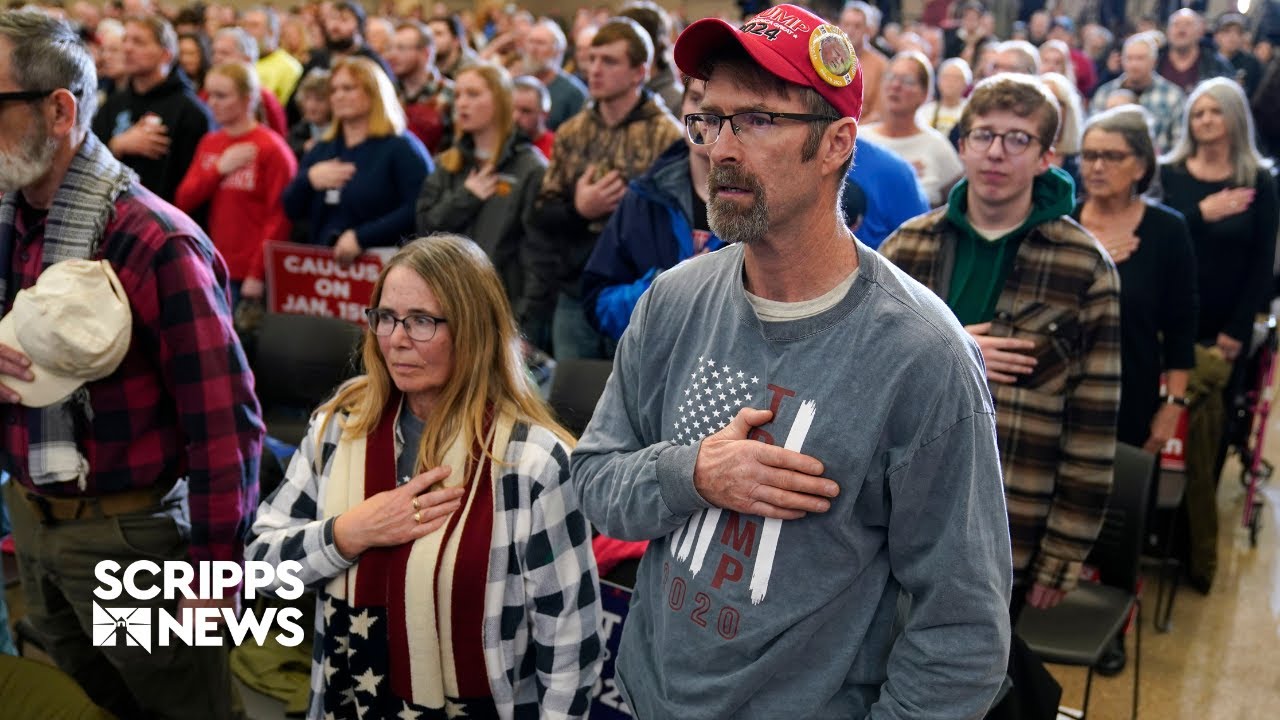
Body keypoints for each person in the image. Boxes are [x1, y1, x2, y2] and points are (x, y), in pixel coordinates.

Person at [571, 6, 1011, 717]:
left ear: (836, 143)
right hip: (649, 695)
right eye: (710, 119)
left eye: (757, 120)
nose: (720, 149)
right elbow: (595, 479)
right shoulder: (674, 300)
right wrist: (693, 474)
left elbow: (963, 630)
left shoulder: (923, 357)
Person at [0, 11, 262, 719]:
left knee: (184, 708)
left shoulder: (154, 240)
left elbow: (224, 424)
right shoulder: (10, 217)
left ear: (59, 112)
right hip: (33, 515)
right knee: (86, 704)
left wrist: (215, 573)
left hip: (129, 538)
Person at [245, 234, 602, 719]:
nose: (396, 339)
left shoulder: (533, 463)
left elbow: (570, 648)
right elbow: (260, 568)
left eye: (421, 321)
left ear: (473, 331)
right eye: (386, 317)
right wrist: (348, 533)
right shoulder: (339, 428)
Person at [881, 73, 1121, 619]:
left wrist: (1063, 554)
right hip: (901, 511)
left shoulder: (1085, 267)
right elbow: (860, 374)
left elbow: (1093, 425)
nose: (996, 152)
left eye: (1017, 139)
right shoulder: (906, 248)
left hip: (1011, 521)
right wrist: (955, 350)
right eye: (984, 135)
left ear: (1045, 158)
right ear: (962, 145)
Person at [1072, 104, 1198, 676]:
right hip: (1066, 391)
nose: (1097, 166)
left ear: (1141, 165)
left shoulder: (1166, 230)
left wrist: (1173, 405)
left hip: (1134, 390)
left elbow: (1181, 326)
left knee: (1118, 512)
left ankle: (1114, 620)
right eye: (1089, 155)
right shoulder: (1065, 223)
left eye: (1112, 156)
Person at [1159, 77, 1278, 594]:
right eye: (1198, 113)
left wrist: (1238, 328)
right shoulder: (1170, 174)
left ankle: (1193, 538)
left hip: (1224, 329)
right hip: (1170, 320)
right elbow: (1160, 238)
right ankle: (1157, 527)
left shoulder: (1258, 180)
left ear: (1233, 118)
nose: (1205, 121)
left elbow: (1262, 262)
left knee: (1210, 428)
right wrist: (1200, 216)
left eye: (1214, 112)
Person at [522, 17, 682, 359]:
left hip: (638, 293)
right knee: (571, 391)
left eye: (609, 61)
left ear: (639, 72)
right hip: (575, 290)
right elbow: (541, 214)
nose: (594, 69)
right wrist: (579, 209)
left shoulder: (667, 136)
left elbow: (679, 223)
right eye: (592, 59)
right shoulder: (572, 131)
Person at [580, 77, 722, 341]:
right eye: (695, 99)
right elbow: (598, 304)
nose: (703, 116)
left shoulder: (764, 206)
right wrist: (668, 287)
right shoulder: (645, 196)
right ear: (681, 107)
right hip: (654, 359)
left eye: (718, 105)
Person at [414, 62, 545, 303]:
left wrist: (525, 319)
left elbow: (539, 257)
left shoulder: (530, 168)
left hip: (502, 304)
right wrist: (466, 198)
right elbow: (424, 229)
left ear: (501, 101)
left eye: (473, 94)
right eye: (458, 95)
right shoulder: (447, 163)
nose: (461, 103)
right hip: (447, 300)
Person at [282, 56, 431, 262]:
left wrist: (362, 237)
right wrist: (308, 179)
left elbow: (418, 209)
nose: (339, 96)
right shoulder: (322, 148)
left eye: (348, 88)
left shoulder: (402, 147)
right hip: (325, 265)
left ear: (374, 93)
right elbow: (290, 207)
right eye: (334, 90)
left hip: (387, 263)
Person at [175, 61, 296, 308]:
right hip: (212, 262)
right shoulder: (210, 142)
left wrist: (257, 273)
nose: (212, 103)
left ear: (248, 99)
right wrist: (219, 170)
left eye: (222, 96)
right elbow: (184, 199)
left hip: (248, 273)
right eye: (210, 95)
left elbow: (280, 217)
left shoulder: (272, 148)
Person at [92, 14, 212, 202]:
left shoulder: (191, 111)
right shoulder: (114, 103)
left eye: (138, 42)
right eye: (125, 40)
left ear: (165, 55)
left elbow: (194, 185)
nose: (127, 48)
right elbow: (89, 159)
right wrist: (117, 145)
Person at [861, 51, 964, 206]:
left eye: (907, 81)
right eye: (890, 77)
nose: (895, 85)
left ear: (925, 93)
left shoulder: (937, 146)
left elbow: (957, 201)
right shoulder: (861, 139)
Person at [1091, 32, 1186, 153]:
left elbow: (1179, 142)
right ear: (1122, 61)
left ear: (1154, 61)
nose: (1134, 64)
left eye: (1140, 58)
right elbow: (1093, 135)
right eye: (1129, 58)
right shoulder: (1104, 94)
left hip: (1161, 162)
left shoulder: (1173, 95)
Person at [386, 19, 454, 154]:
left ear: (425, 53)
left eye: (401, 48)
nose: (391, 55)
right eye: (390, 48)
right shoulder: (387, 93)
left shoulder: (451, 94)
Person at [208, 26, 288, 137]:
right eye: (214, 53)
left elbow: (279, 138)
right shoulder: (207, 93)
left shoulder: (264, 99)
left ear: (247, 59)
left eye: (225, 53)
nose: (217, 58)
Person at [520, 17, 587, 130]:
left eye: (540, 43)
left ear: (558, 51)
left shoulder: (573, 93)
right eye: (530, 42)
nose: (533, 49)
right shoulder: (518, 84)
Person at [1159, 8, 1234, 94]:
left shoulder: (1218, 65)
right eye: (1176, 24)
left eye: (1188, 24)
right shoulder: (1155, 61)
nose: (1181, 29)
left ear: (1200, 32)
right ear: (1167, 32)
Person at [243, 5, 304, 106]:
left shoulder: (289, 67)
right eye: (245, 25)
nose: (247, 31)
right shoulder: (240, 62)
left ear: (271, 32)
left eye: (254, 25)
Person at [838, 2, 887, 122]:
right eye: (846, 25)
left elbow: (879, 113)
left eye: (857, 26)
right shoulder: (828, 58)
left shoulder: (881, 65)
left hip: (863, 129)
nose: (850, 31)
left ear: (869, 30)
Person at [916, 56, 970, 136]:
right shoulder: (925, 111)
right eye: (946, 77)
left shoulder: (970, 111)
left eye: (956, 78)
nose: (950, 82)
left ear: (966, 83)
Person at [512, 73, 554, 158]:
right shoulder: (496, 140)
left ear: (544, 115)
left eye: (526, 111)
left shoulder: (555, 149)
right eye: (511, 109)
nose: (515, 117)